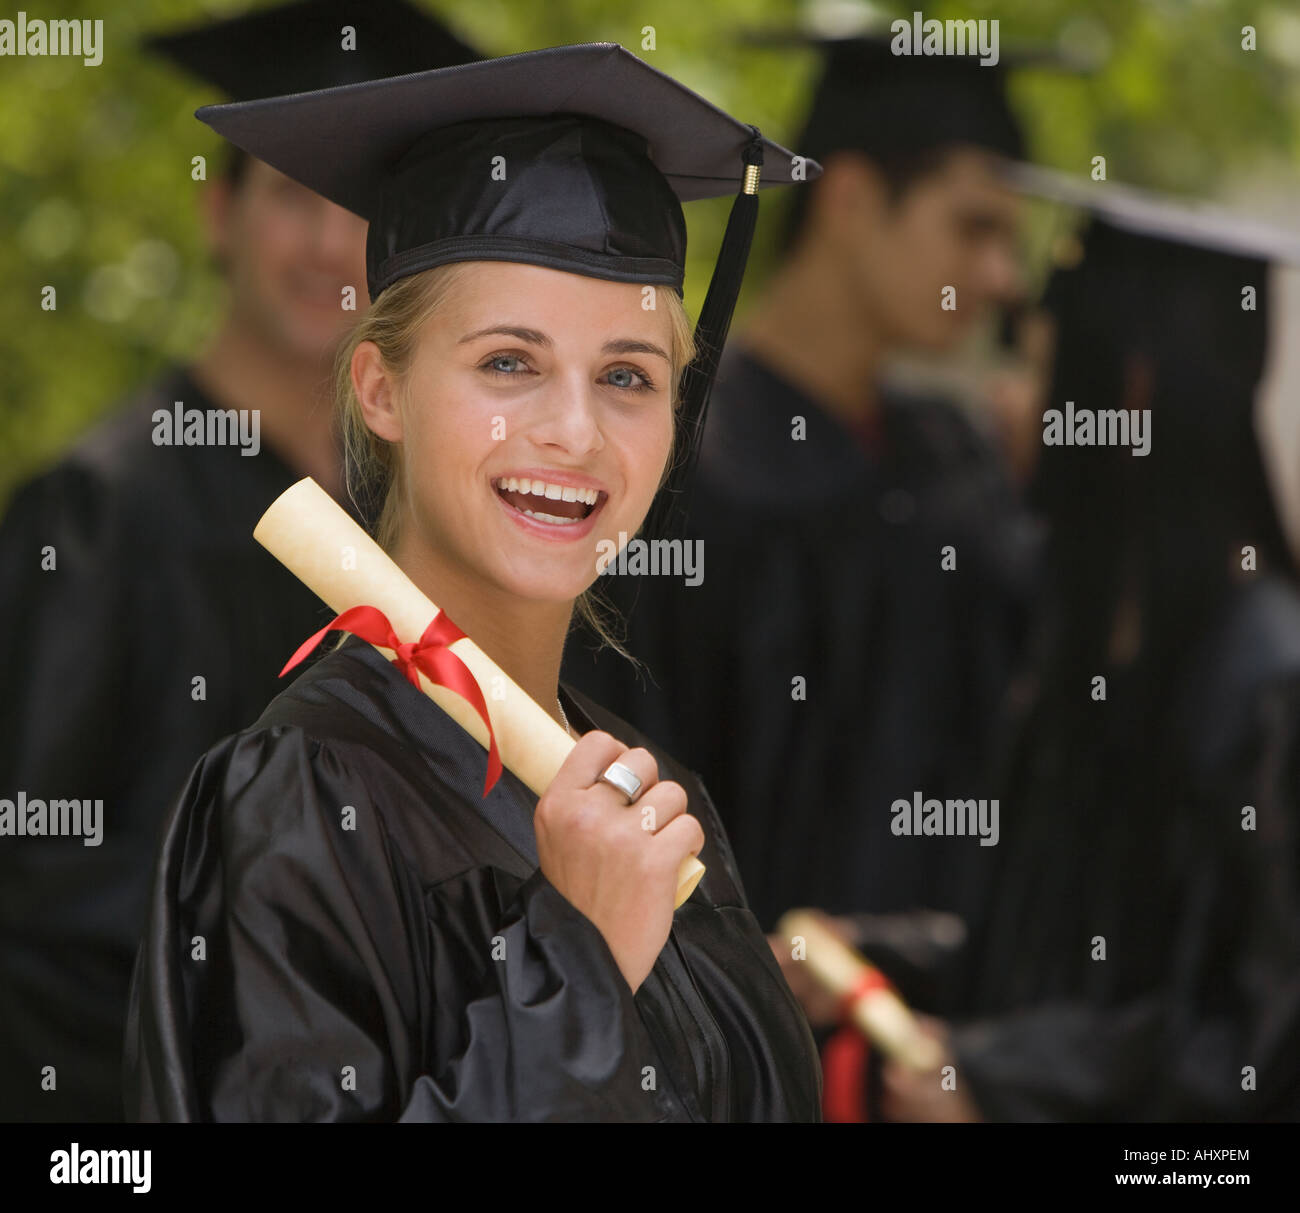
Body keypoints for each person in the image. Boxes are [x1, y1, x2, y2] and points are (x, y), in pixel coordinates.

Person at [124, 42, 824, 1122]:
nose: (575, 430)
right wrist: (576, 963)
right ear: (381, 390)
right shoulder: (305, 798)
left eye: (628, 376)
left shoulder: (648, 797)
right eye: (509, 362)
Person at [0, 0, 479, 1123]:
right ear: (219, 211)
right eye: (290, 194)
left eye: (362, 205)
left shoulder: (431, 527)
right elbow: (37, 903)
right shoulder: (105, 511)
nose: (326, 243)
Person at [563, 34, 1045, 1021]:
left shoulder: (950, 455)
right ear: (853, 198)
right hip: (724, 1031)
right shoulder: (675, 460)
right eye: (972, 228)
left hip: (935, 1042)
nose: (999, 276)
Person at [881, 172, 1300, 1122]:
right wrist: (876, 959)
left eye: (1041, 368)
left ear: (1131, 388)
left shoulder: (1269, 684)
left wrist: (998, 1078)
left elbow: (1258, 1046)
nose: (1008, 399)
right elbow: (1058, 953)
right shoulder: (1104, 652)